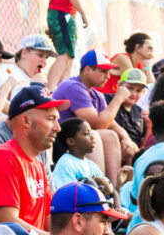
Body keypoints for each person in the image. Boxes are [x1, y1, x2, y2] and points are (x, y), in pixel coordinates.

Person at [0, 84, 68, 235]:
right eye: (51, 119)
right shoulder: (5, 157)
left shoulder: (37, 163)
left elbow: (49, 220)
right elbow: (8, 223)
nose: (58, 127)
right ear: (26, 121)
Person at [54, 49, 135, 181]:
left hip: (77, 141)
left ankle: (114, 190)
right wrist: (118, 99)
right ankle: (99, 188)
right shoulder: (73, 86)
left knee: (116, 138)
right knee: (97, 135)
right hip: (61, 141)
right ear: (87, 70)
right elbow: (98, 123)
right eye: (103, 71)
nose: (108, 76)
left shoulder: (96, 94)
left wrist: (126, 139)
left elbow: (112, 124)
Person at [51, 118, 107, 189]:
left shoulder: (90, 164)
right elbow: (66, 192)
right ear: (71, 141)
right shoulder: (66, 163)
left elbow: (108, 187)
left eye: (91, 133)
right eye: (86, 133)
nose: (92, 137)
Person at [111, 68, 150, 148]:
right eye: (129, 88)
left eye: (138, 90)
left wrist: (150, 125)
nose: (133, 94)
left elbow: (144, 145)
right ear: (119, 85)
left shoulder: (140, 112)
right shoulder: (106, 100)